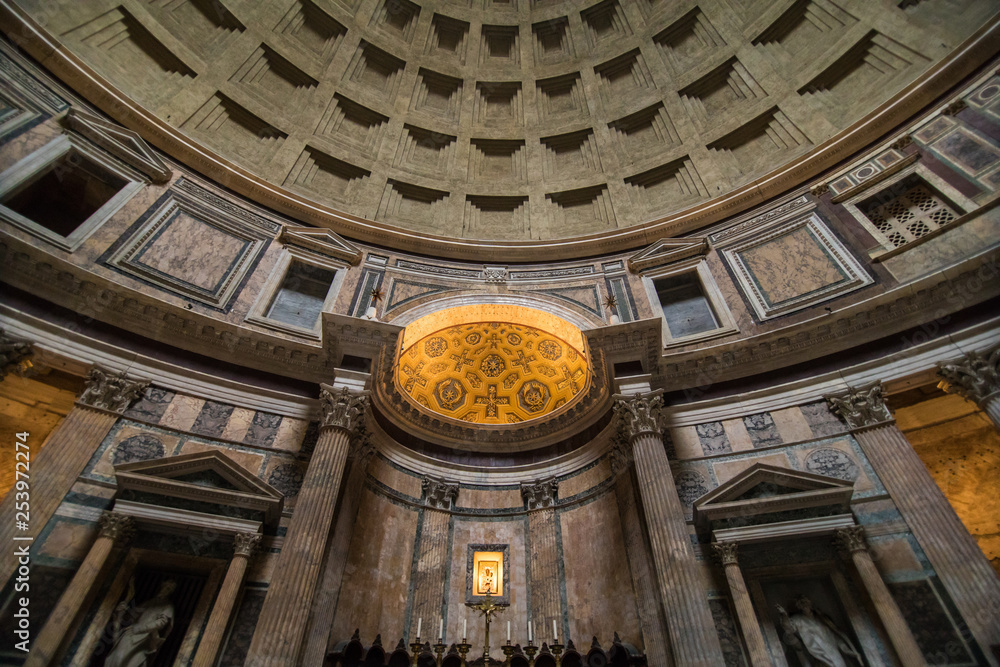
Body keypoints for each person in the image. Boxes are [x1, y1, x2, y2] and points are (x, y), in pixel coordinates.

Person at [105, 579, 177, 667]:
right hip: (131, 632)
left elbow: (161, 623)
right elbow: (130, 617)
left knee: (133, 658)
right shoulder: (149, 603)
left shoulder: (168, 606)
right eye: (165, 587)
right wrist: (123, 609)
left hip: (145, 636)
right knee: (118, 654)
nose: (166, 590)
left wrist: (138, 629)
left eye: (169, 589)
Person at [776, 595, 861, 667]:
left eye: (805, 602)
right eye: (801, 603)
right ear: (799, 606)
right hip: (817, 654)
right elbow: (788, 628)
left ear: (810, 603)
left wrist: (848, 650)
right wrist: (783, 615)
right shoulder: (798, 619)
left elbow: (835, 637)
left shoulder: (822, 618)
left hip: (833, 653)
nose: (804, 605)